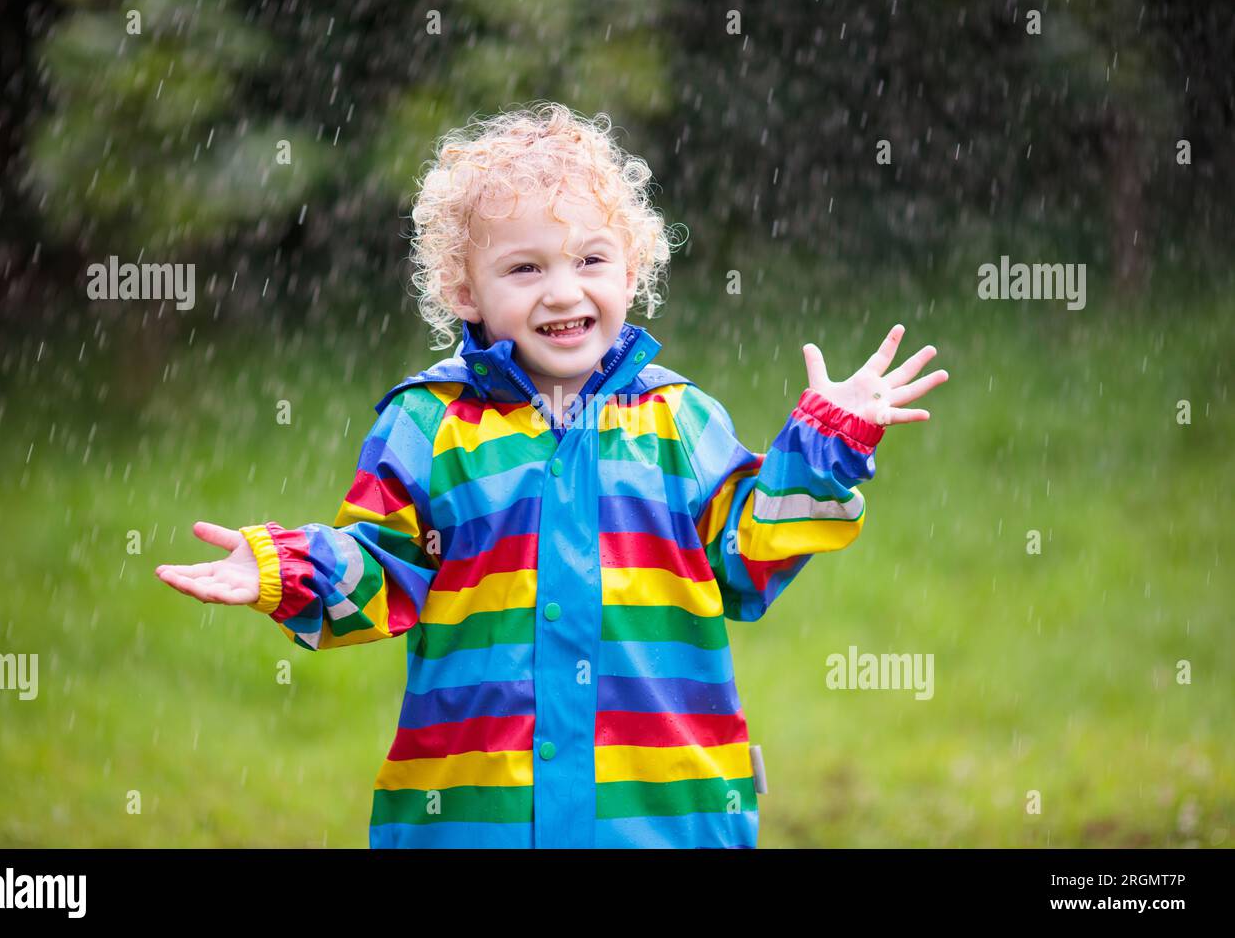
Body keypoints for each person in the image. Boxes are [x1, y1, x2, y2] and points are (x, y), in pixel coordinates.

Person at [155, 101, 949, 848]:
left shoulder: (681, 422)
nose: (564, 291)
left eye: (591, 259)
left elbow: (747, 559)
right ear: (465, 290)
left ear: (631, 271)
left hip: (659, 818)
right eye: (525, 269)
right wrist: (285, 567)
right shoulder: (427, 426)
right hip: (474, 822)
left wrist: (824, 446)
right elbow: (383, 568)